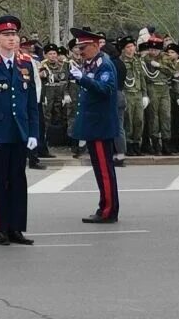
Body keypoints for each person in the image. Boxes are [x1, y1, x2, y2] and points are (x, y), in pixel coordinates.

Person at [0, 16, 38, 246]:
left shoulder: (25, 64)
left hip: (19, 131)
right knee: (0, 181)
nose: (12, 39)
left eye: (14, 35)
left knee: (18, 181)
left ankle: (17, 228)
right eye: (6, 36)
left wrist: (33, 132)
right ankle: (2, 228)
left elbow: (31, 101)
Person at [71, 27, 120, 224]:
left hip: (100, 125)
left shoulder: (104, 65)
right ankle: (105, 206)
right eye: (79, 48)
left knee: (104, 170)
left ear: (93, 46)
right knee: (101, 170)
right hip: (94, 124)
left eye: (83, 48)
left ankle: (108, 210)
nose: (80, 52)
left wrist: (82, 79)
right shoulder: (91, 64)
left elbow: (106, 89)